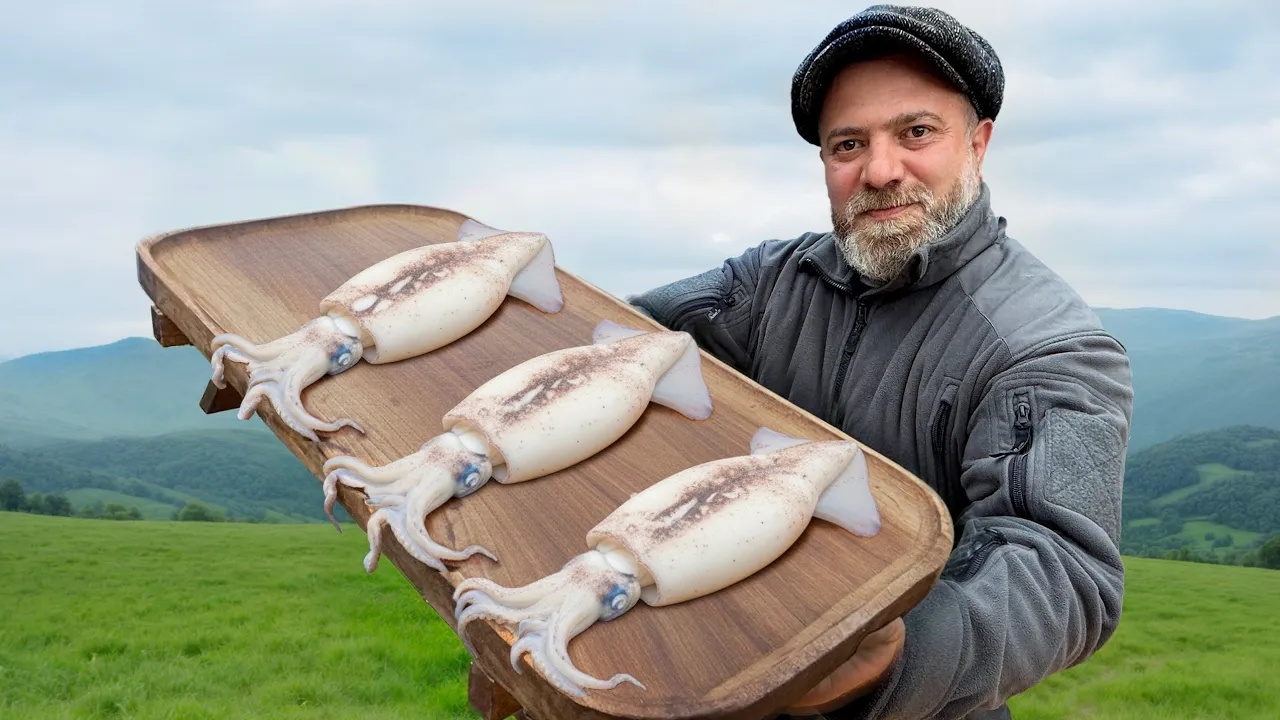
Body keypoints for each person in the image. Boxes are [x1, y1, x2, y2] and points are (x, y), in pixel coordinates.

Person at [626, 5, 1134, 719]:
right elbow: (624, 338)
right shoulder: (769, 281)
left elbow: (1062, 569)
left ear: (979, 143)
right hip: (726, 667)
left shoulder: (1049, 344)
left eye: (916, 132)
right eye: (847, 145)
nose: (879, 170)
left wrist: (896, 653)